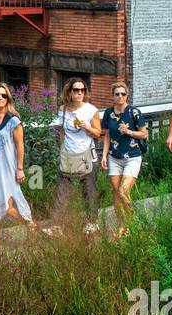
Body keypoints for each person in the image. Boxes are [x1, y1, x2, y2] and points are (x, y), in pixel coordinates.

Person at [0, 83, 37, 251]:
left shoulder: (13, 121)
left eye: (4, 95)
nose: (0, 98)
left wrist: (20, 168)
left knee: (7, 207)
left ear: (8, 99)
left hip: (7, 168)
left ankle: (30, 224)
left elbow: (20, 146)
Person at [99, 82, 147, 238]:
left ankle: (132, 220)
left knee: (122, 191)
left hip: (132, 157)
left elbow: (144, 134)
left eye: (123, 94)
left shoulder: (134, 112)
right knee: (116, 193)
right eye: (117, 94)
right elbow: (106, 134)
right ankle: (122, 227)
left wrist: (129, 131)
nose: (120, 96)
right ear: (112, 96)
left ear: (127, 95)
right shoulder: (108, 113)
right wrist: (104, 155)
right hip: (114, 157)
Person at [54, 77, 102, 219]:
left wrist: (87, 127)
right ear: (69, 93)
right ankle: (58, 225)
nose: (80, 93)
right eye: (76, 90)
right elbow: (62, 131)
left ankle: (92, 224)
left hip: (86, 157)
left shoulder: (90, 110)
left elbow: (98, 132)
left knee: (88, 192)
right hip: (67, 156)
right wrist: (61, 148)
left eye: (82, 90)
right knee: (62, 193)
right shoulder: (62, 109)